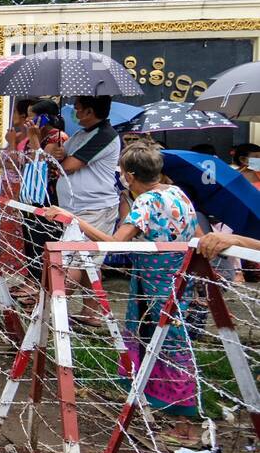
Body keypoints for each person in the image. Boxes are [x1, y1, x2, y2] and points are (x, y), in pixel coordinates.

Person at [44, 144, 199, 422]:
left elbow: (115, 243)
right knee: (169, 340)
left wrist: (75, 220)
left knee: (163, 342)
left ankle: (181, 413)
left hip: (154, 281)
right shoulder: (178, 194)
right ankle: (156, 401)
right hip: (179, 277)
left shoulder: (146, 202)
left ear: (129, 174)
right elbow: (195, 234)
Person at [47, 95, 121, 325]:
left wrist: (61, 159)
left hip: (95, 208)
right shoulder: (81, 134)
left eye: (78, 109)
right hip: (76, 208)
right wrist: (55, 151)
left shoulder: (105, 136)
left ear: (89, 111)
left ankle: (54, 309)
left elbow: (68, 167)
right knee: (90, 260)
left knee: (74, 260)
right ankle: (92, 313)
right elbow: (54, 156)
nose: (75, 113)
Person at [15, 99, 68, 298]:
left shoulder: (58, 137)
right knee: (29, 238)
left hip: (48, 197)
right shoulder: (34, 137)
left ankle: (39, 285)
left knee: (41, 239)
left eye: (31, 115)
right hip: (30, 195)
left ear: (43, 118)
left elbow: (43, 165)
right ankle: (31, 278)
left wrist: (35, 140)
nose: (27, 119)